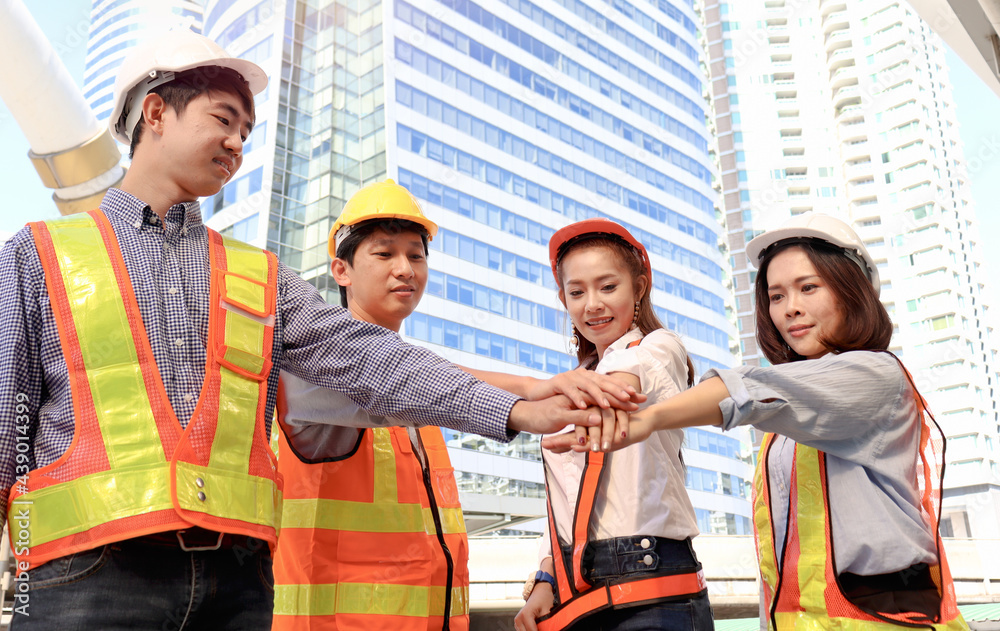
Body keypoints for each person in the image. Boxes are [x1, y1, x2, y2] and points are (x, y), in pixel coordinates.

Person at [0, 30, 618, 630]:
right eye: (224, 119)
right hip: (87, 572)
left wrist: (510, 409)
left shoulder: (257, 276)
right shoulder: (40, 255)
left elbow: (372, 360)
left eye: (246, 129)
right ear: (157, 112)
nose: (237, 141)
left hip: (236, 581)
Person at [548, 213, 970, 631]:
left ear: (852, 290)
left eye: (808, 288)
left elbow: (750, 390)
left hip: (886, 617)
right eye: (777, 296)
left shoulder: (874, 375)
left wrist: (650, 418)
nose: (792, 309)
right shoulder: (786, 428)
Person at [272, 179, 473, 630]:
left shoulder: (420, 402)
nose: (405, 268)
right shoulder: (316, 377)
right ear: (341, 271)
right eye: (384, 254)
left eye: (415, 255)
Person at [515, 219, 714, 631]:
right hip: (578, 591)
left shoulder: (658, 346)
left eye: (608, 287)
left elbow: (635, 371)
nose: (592, 304)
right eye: (577, 292)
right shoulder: (572, 382)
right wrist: (546, 577)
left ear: (638, 287)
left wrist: (613, 390)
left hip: (654, 583)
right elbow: (567, 501)